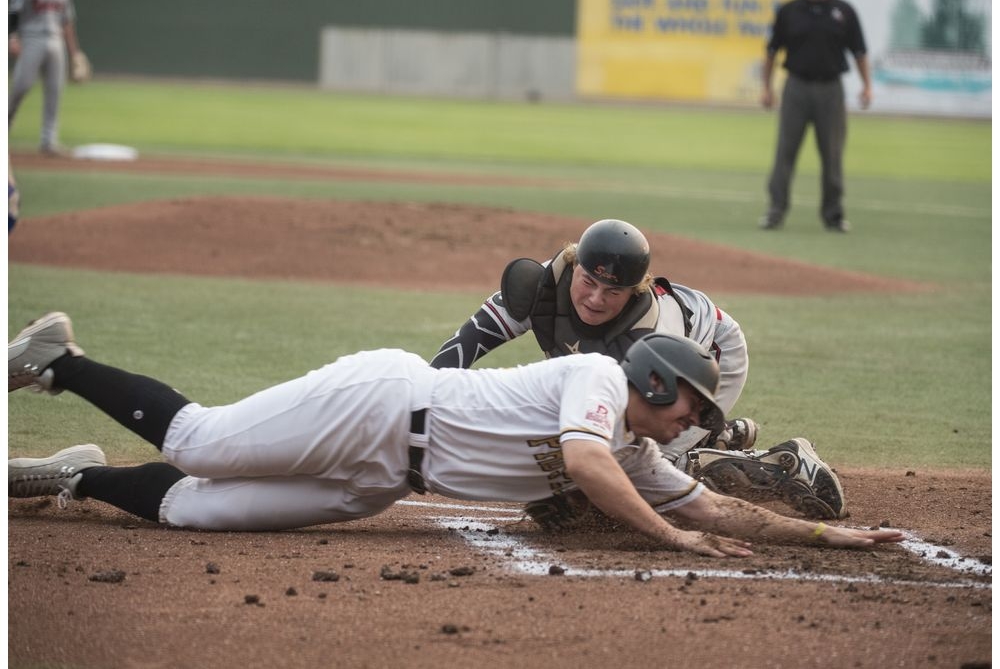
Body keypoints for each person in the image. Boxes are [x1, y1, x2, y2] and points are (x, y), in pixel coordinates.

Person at [7, 312, 902, 556]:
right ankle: (59, 361)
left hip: (384, 480)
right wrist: (667, 535)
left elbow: (712, 509)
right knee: (199, 443)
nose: (690, 427)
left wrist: (831, 535)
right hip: (378, 403)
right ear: (658, 383)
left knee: (199, 514)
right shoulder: (597, 379)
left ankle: (72, 479)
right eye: (691, 412)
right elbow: (587, 462)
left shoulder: (634, 449)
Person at [431, 218, 847, 520]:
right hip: (652, 374)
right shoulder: (539, 286)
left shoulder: (648, 334)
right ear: (575, 266)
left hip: (709, 354)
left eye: (613, 291)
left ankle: (782, 467)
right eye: (588, 282)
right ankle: (718, 436)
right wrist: (425, 400)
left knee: (648, 470)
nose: (595, 298)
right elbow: (465, 345)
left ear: (633, 291)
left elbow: (621, 431)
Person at [759, 0, 872, 233]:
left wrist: (867, 85)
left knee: (832, 155)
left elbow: (859, 52)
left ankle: (833, 215)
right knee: (785, 152)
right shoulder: (790, 10)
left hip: (831, 89)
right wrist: (766, 87)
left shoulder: (843, 11)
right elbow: (772, 51)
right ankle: (775, 211)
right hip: (796, 86)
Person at [8, 0, 87, 156]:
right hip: (31, 39)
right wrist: (11, 38)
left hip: (56, 42)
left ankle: (48, 141)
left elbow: (67, 23)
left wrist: (75, 53)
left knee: (54, 91)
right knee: (21, 86)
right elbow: (13, 13)